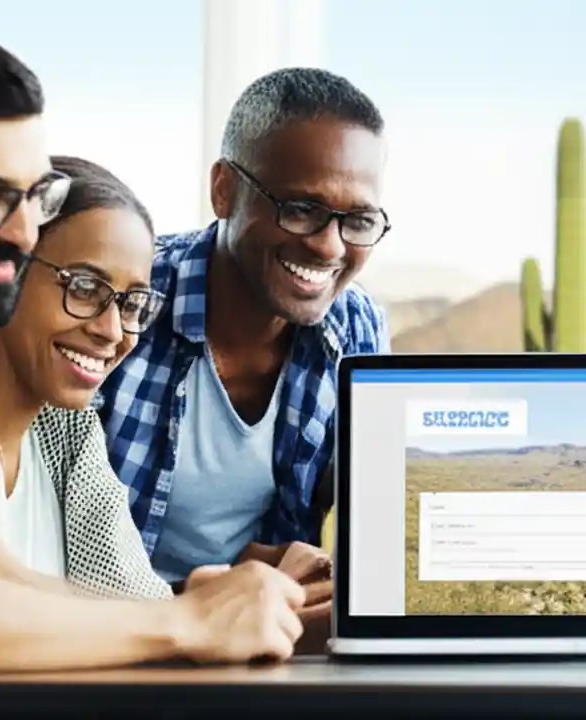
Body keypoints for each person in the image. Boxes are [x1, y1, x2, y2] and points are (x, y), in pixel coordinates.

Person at [0, 24, 304, 674]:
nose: (20, 230)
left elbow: (126, 603)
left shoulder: (58, 427)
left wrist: (266, 607)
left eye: (34, 197)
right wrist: (187, 619)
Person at [96, 67, 393, 639]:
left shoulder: (356, 328)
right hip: (104, 641)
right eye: (300, 209)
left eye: (357, 220)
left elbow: (367, 514)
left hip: (255, 640)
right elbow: (48, 550)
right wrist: (207, 598)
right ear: (224, 190)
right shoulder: (126, 299)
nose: (330, 246)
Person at [0, 154, 182, 600]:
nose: (112, 330)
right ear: (5, 273)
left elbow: (134, 601)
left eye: (131, 303)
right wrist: (193, 617)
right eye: (83, 288)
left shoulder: (67, 430)